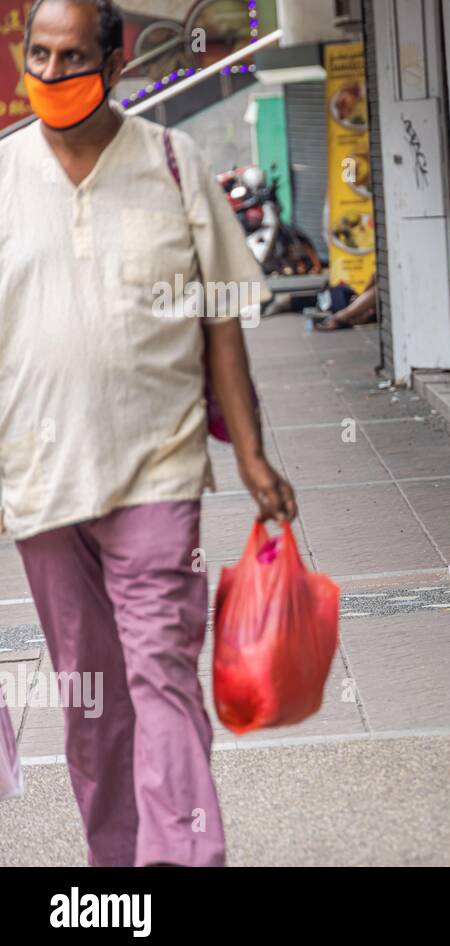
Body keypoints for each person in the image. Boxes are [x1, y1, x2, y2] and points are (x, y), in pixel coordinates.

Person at [0, 0, 296, 866]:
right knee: (92, 699)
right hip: (40, 478)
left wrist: (247, 451)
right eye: (39, 57)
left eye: (71, 57)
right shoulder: (3, 178)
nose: (52, 76)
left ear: (116, 60)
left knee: (162, 670)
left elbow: (222, 323)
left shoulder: (174, 163)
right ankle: (116, 867)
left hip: (158, 470)